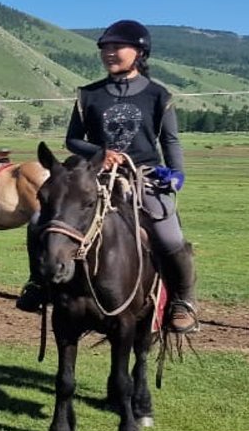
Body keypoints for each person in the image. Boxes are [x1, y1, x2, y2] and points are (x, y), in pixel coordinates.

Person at [16, 19, 199, 334]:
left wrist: (176, 175)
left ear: (140, 51)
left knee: (170, 237)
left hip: (142, 175)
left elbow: (170, 141)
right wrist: (99, 152)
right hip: (94, 174)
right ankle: (39, 284)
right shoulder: (89, 95)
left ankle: (183, 301)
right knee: (37, 222)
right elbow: (72, 139)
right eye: (105, 48)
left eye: (117, 47)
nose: (109, 53)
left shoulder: (158, 95)